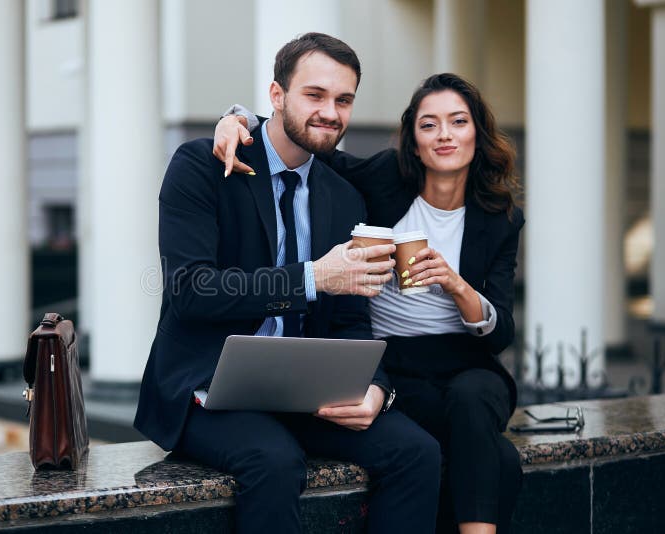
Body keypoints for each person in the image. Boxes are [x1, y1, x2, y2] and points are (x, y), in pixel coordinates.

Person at [134, 33, 442, 534]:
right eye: (315, 95)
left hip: (306, 393)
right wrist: (312, 278)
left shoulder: (344, 198)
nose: (331, 112)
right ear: (276, 96)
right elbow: (192, 290)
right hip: (207, 388)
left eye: (343, 100)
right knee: (274, 461)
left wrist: (376, 391)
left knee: (417, 452)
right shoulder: (202, 167)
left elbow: (351, 321)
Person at [214, 72, 524, 534]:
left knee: (473, 395)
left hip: (467, 361)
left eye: (458, 122)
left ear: (477, 134)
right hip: (395, 361)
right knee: (496, 456)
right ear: (413, 141)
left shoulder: (499, 218)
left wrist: (457, 286)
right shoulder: (385, 178)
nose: (443, 135)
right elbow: (308, 137)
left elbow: (500, 332)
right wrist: (236, 118)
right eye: (428, 125)